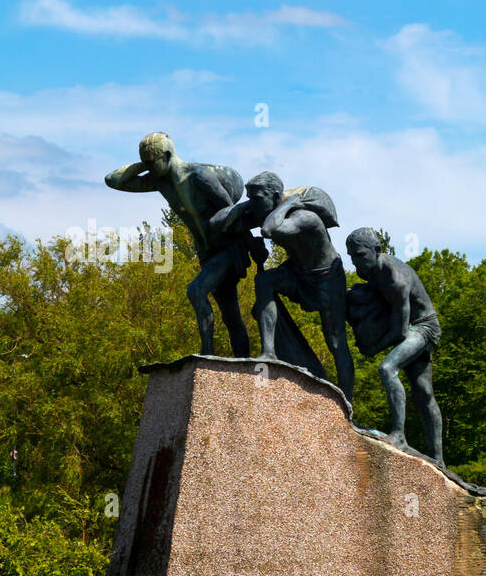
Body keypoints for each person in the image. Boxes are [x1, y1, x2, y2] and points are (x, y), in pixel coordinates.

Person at [105, 132, 255, 357]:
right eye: (147, 164)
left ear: (166, 155)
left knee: (196, 291)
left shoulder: (198, 176)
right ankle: (244, 366)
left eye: (152, 162)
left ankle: (206, 356)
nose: (150, 168)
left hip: (227, 248)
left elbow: (233, 212)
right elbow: (113, 180)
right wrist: (143, 162)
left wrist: (253, 246)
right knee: (231, 314)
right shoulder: (161, 181)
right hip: (207, 253)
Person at [219, 172, 354, 396]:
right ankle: (269, 352)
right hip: (297, 271)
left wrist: (288, 202)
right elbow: (223, 224)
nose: (252, 204)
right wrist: (253, 244)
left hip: (326, 278)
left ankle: (346, 402)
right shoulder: (267, 209)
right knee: (264, 280)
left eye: (257, 198)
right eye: (250, 198)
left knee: (336, 342)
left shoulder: (304, 217)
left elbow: (269, 229)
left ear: (275, 196)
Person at [344, 227, 443, 463]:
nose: (355, 262)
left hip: (423, 327)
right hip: (408, 327)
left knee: (388, 369)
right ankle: (438, 458)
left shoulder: (395, 279)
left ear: (377, 251)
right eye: (351, 257)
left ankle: (401, 436)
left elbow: (400, 331)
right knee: (424, 392)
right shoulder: (371, 272)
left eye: (359, 255)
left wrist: (373, 347)